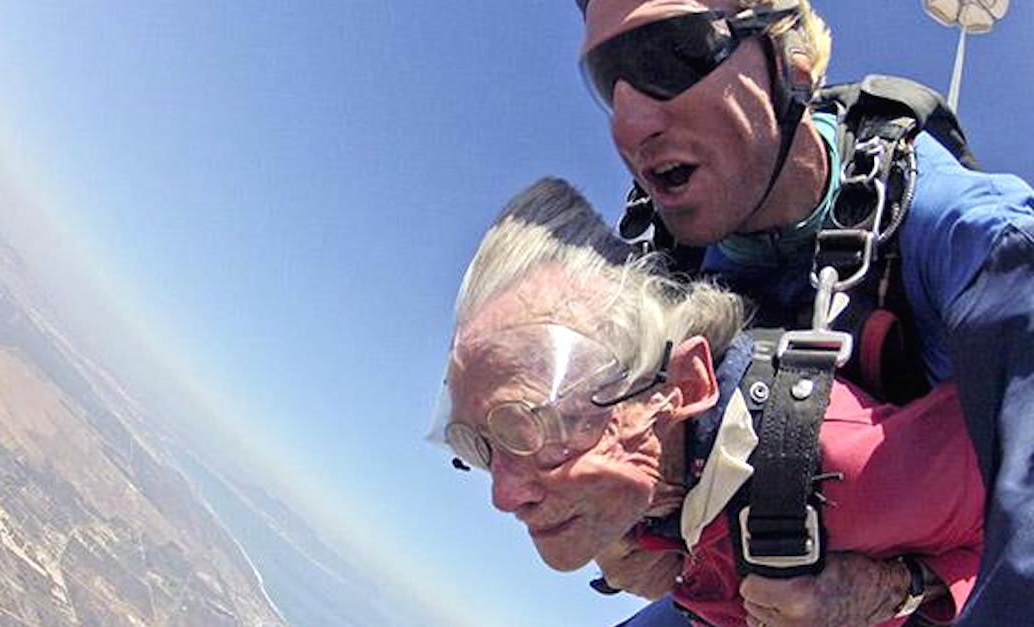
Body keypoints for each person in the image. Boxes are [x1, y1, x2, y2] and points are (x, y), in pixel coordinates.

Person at [569, 0, 1034, 623]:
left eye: (670, 55)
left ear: (792, 65)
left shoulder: (975, 237)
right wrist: (631, 528)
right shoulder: (661, 266)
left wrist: (903, 585)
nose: (629, 126)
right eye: (608, 81)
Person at [429, 178, 984, 626]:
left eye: (537, 427)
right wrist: (654, 537)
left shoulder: (835, 465)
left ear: (686, 387)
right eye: (480, 448)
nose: (503, 495)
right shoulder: (650, 483)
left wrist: (896, 588)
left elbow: (1013, 510)